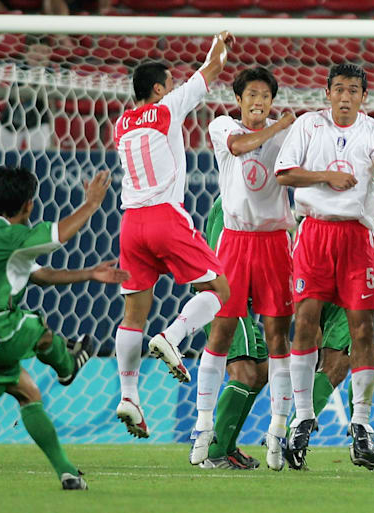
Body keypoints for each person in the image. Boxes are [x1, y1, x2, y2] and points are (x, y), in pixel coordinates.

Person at [0, 166, 123, 490]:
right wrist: (91, 204)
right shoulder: (10, 236)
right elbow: (58, 235)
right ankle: (67, 366)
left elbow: (39, 275)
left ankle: (67, 472)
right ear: (29, 205)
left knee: (29, 394)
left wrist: (91, 273)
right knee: (37, 326)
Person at [274, 63, 374, 471]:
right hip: (314, 234)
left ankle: (362, 429)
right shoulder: (307, 126)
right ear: (327, 93)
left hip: (356, 240)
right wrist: (325, 176)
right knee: (304, 323)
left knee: (362, 329)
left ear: (364, 96)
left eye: (354, 89)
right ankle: (301, 419)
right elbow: (284, 174)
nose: (346, 96)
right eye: (339, 89)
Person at [112, 31, 234, 439]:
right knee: (220, 288)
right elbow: (213, 68)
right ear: (160, 89)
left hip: (131, 224)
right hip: (165, 215)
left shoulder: (120, 125)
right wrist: (220, 40)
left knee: (132, 316)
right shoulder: (167, 108)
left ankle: (129, 395)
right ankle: (174, 335)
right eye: (169, 81)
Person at [189, 66, 297, 467]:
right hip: (234, 241)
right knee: (221, 332)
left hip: (273, 243)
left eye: (264, 96)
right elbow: (239, 147)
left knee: (277, 339)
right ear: (239, 100)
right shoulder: (222, 127)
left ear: (272, 100)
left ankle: (278, 431)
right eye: (251, 95)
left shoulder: (287, 133)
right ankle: (203, 427)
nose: (257, 102)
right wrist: (280, 126)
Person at [197, 198, 268, 471]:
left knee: (261, 371)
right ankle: (214, 453)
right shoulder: (234, 201)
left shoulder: (254, 200)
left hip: (237, 300)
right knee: (244, 373)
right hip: (225, 296)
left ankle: (226, 446)